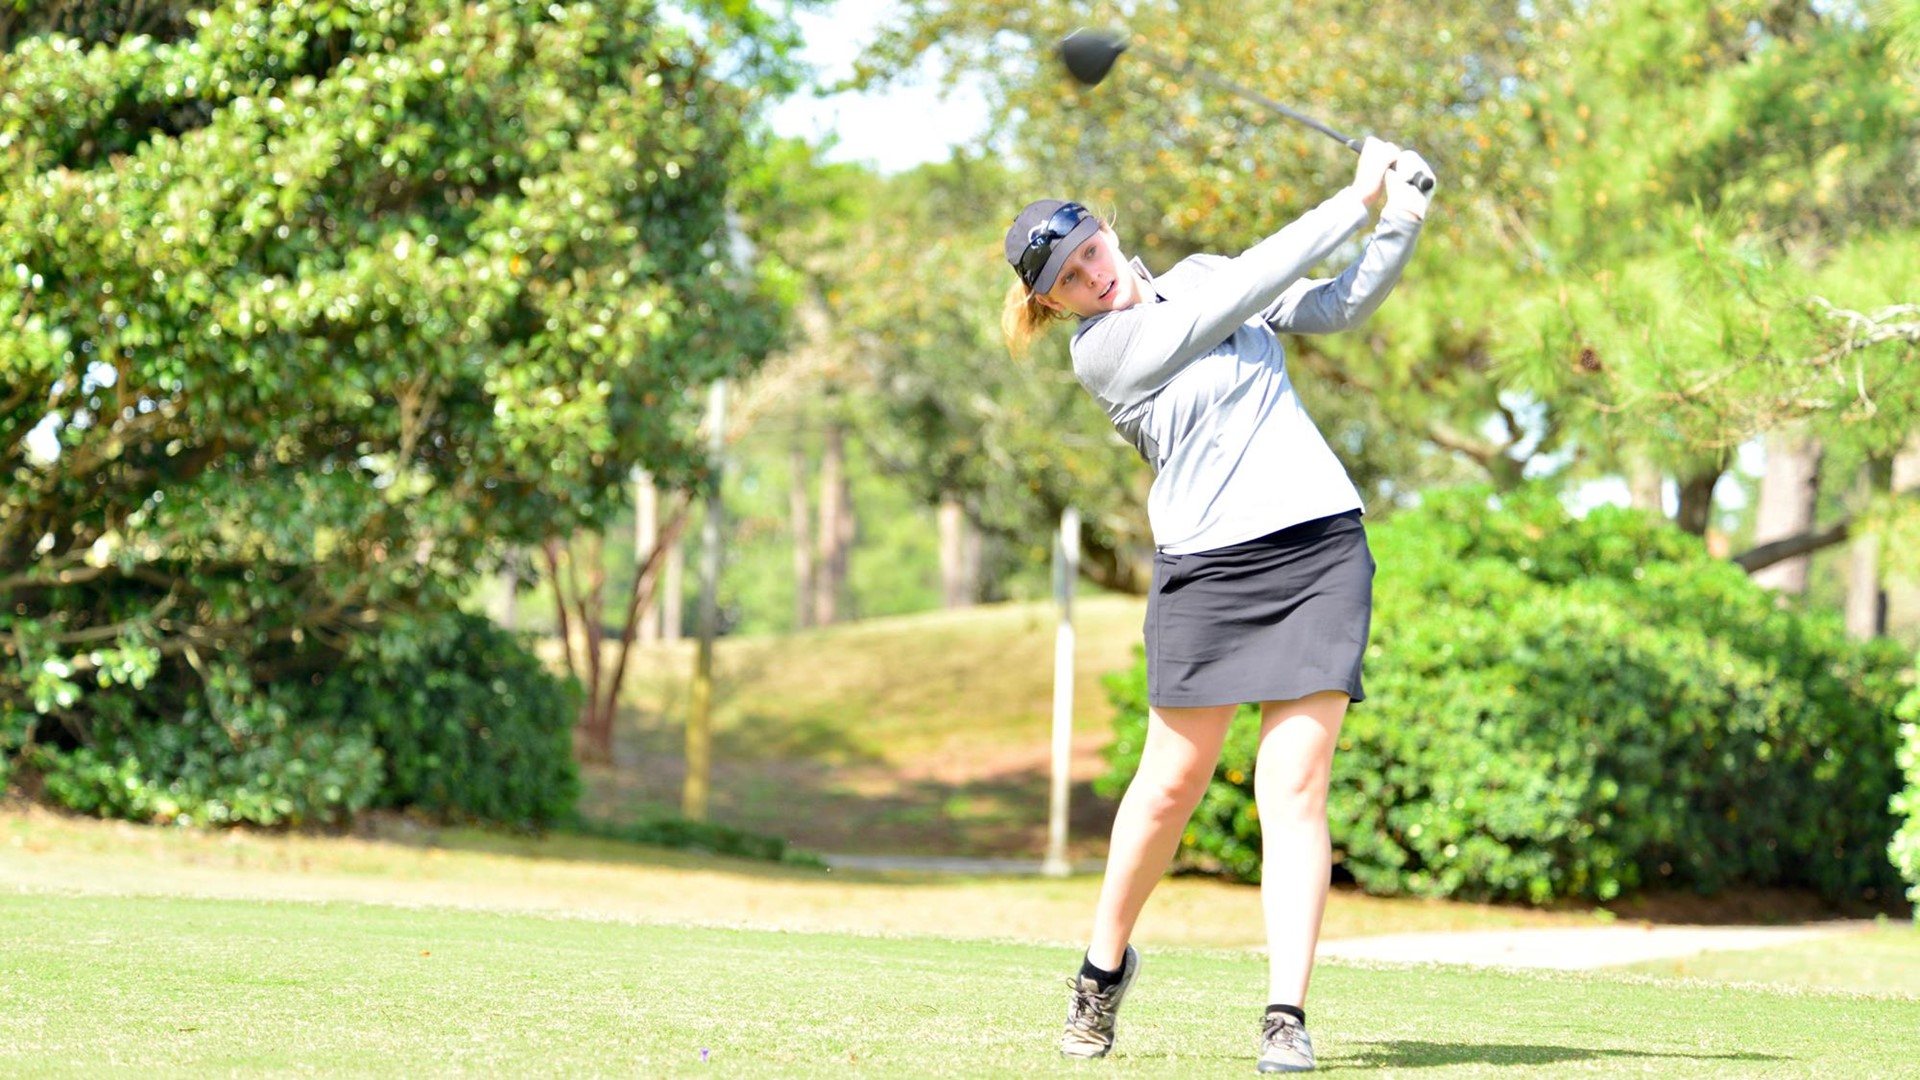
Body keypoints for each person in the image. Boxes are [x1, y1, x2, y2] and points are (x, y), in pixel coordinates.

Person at [999, 137, 1432, 1074]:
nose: (1092, 277)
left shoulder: (1193, 272)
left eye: (1092, 252)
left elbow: (1332, 304)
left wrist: (1398, 218)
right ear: (1052, 303)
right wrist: (1351, 199)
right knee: (1168, 790)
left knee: (1295, 786)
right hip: (1211, 571)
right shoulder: (1105, 352)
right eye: (1070, 279)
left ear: (1110, 231)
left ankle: (1286, 1011)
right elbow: (1240, 298)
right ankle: (1102, 970)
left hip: (1320, 545)